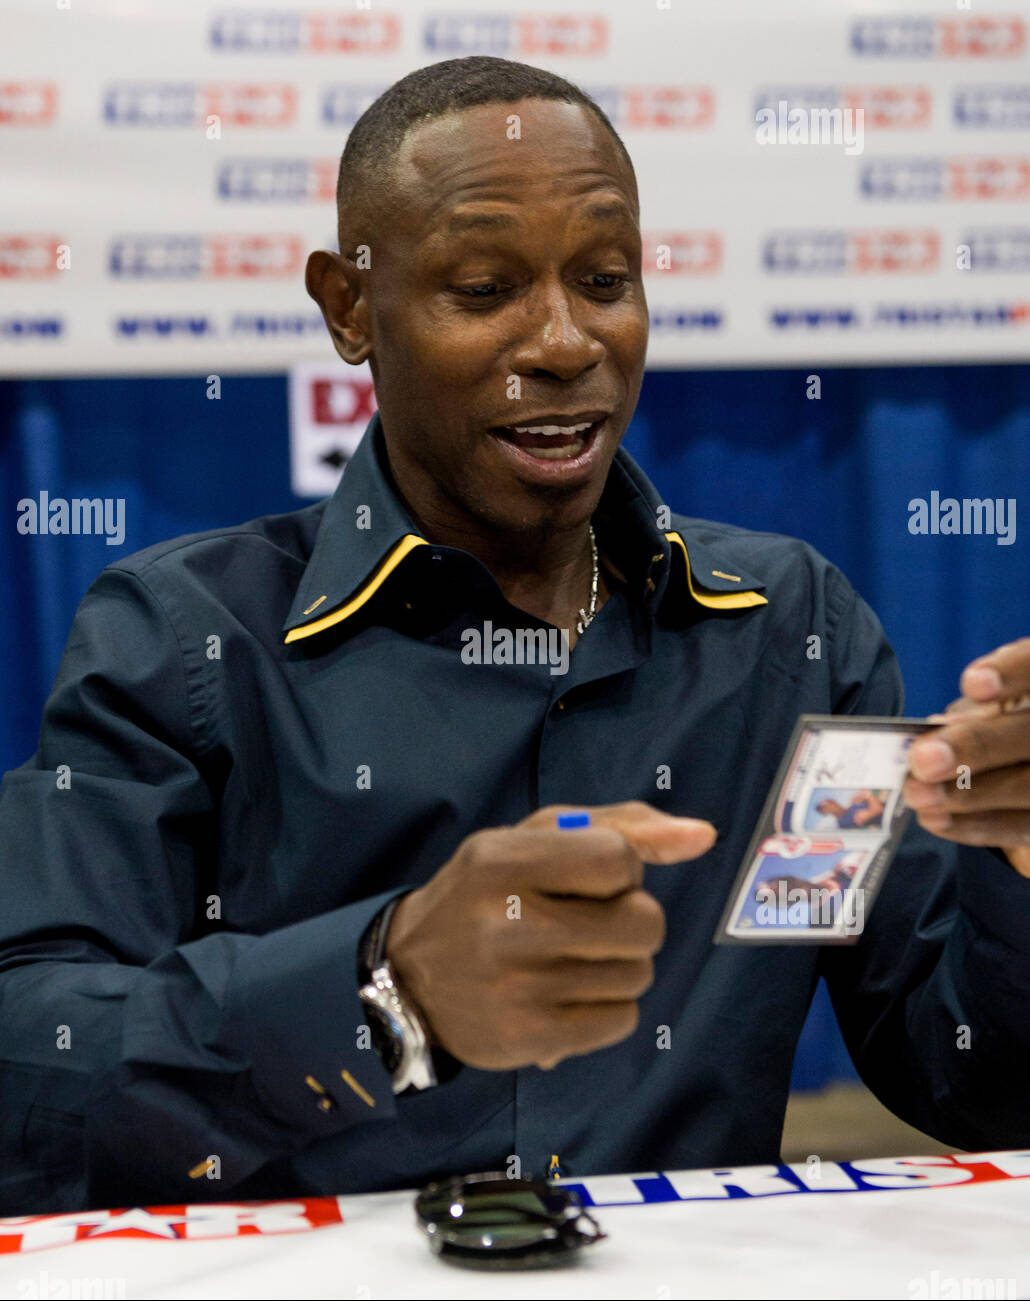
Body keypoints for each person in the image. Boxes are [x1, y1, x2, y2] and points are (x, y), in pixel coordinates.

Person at [2, 56, 1029, 1217]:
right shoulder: (185, 640)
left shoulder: (790, 631)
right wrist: (386, 994)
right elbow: (30, 1075)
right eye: (484, 288)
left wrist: (1021, 872)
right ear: (350, 307)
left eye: (603, 276)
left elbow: (975, 1083)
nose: (564, 340)